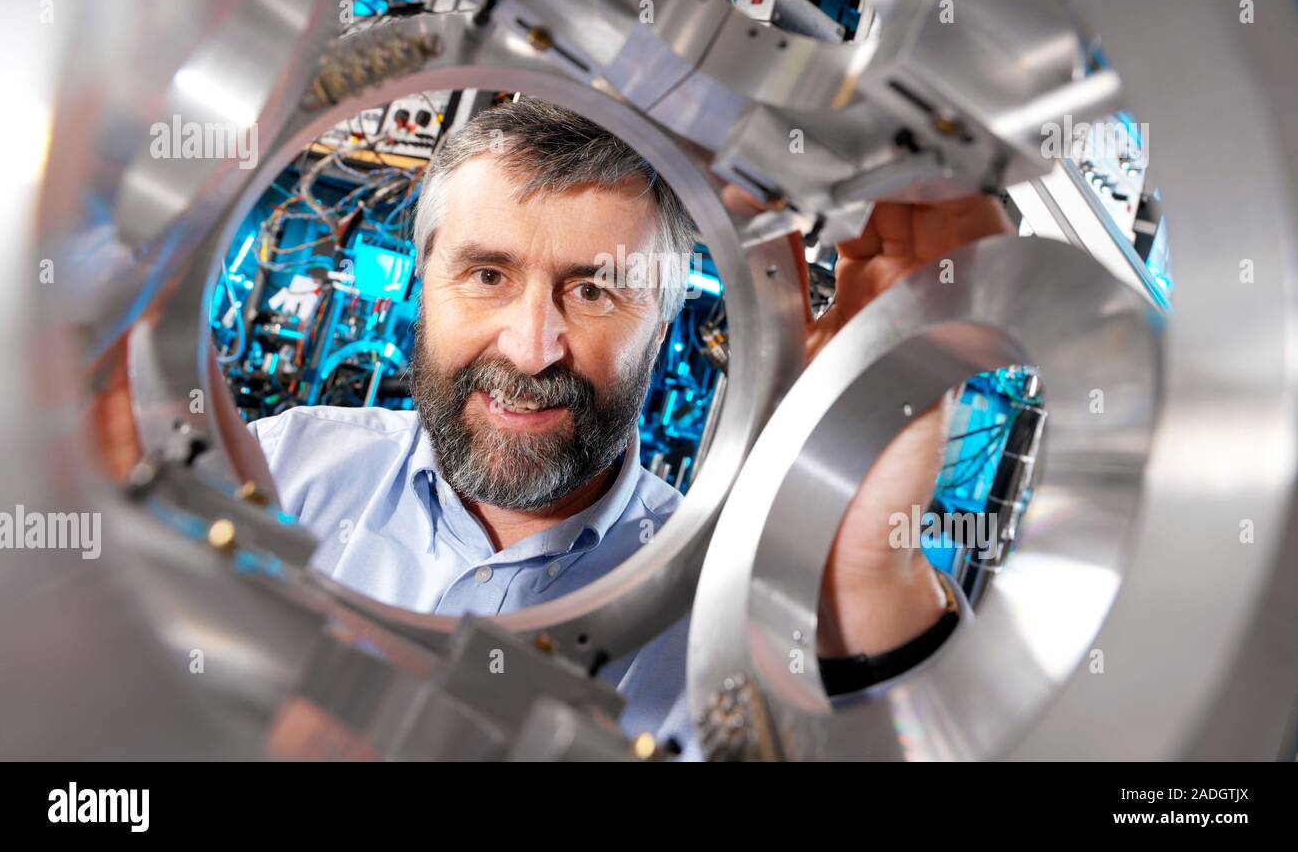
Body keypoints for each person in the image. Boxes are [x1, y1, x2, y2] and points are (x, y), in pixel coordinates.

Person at [95, 96, 1012, 759]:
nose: (534, 348)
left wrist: (863, 569)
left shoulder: (738, 610)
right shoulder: (285, 464)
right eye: (488, 275)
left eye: (593, 287)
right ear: (422, 281)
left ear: (667, 320)